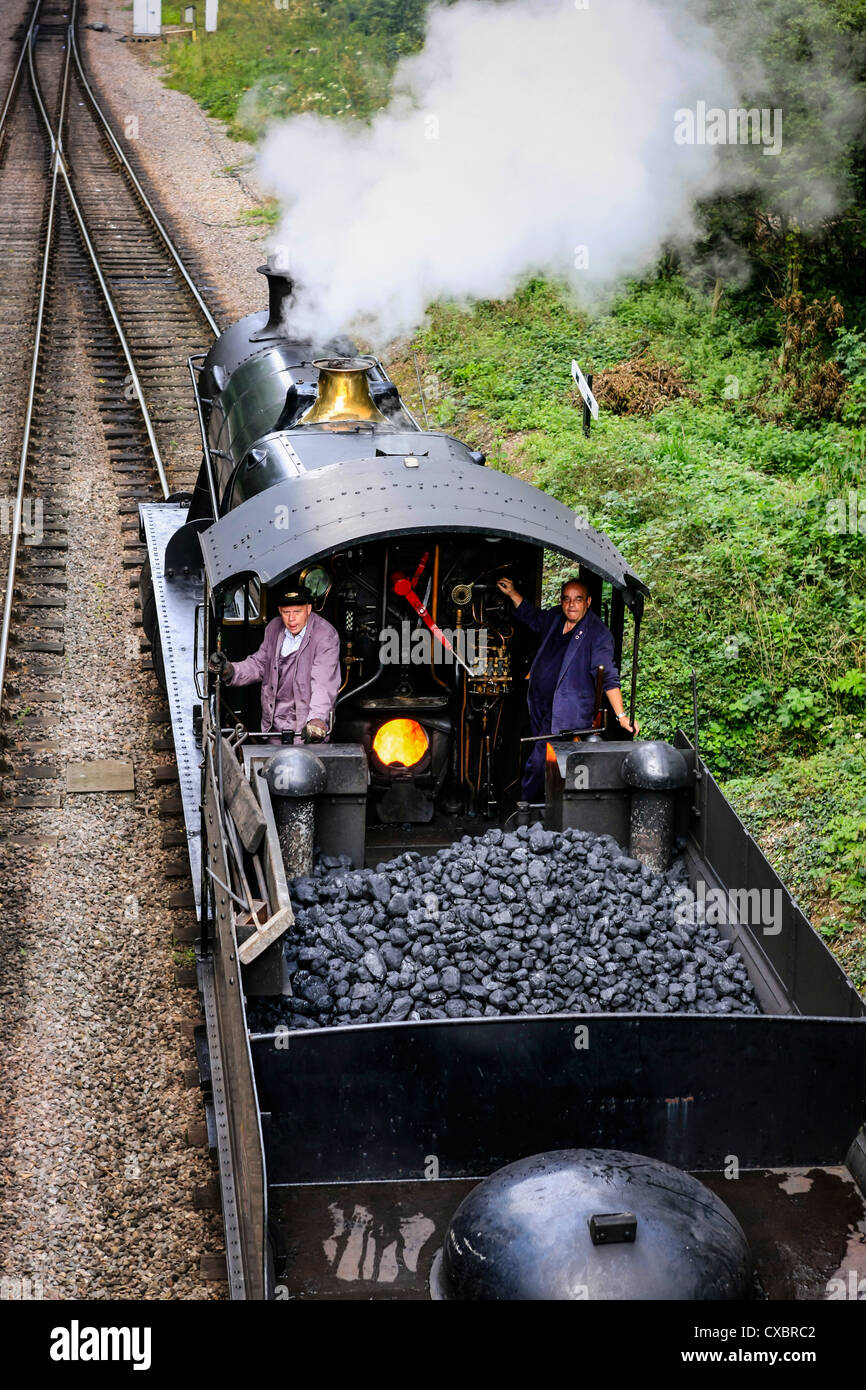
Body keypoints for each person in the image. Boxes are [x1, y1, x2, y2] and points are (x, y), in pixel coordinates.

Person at [497, 575, 638, 800]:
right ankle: (546, 808)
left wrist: (621, 715)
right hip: (539, 704)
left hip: (567, 711)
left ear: (588, 602)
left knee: (538, 761)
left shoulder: (597, 634)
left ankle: (524, 812)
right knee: (541, 757)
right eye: (567, 599)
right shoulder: (555, 618)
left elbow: (609, 677)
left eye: (578, 599)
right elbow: (534, 618)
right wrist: (513, 593)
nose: (571, 604)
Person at [208, 584, 341, 742]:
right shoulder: (274, 628)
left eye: (297, 612)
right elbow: (259, 664)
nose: (291, 619)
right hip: (274, 727)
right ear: (279, 611)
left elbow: (323, 683)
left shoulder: (325, 636)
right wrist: (230, 670)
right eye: (286, 613)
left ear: (309, 609)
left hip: (305, 729)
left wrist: (317, 720)